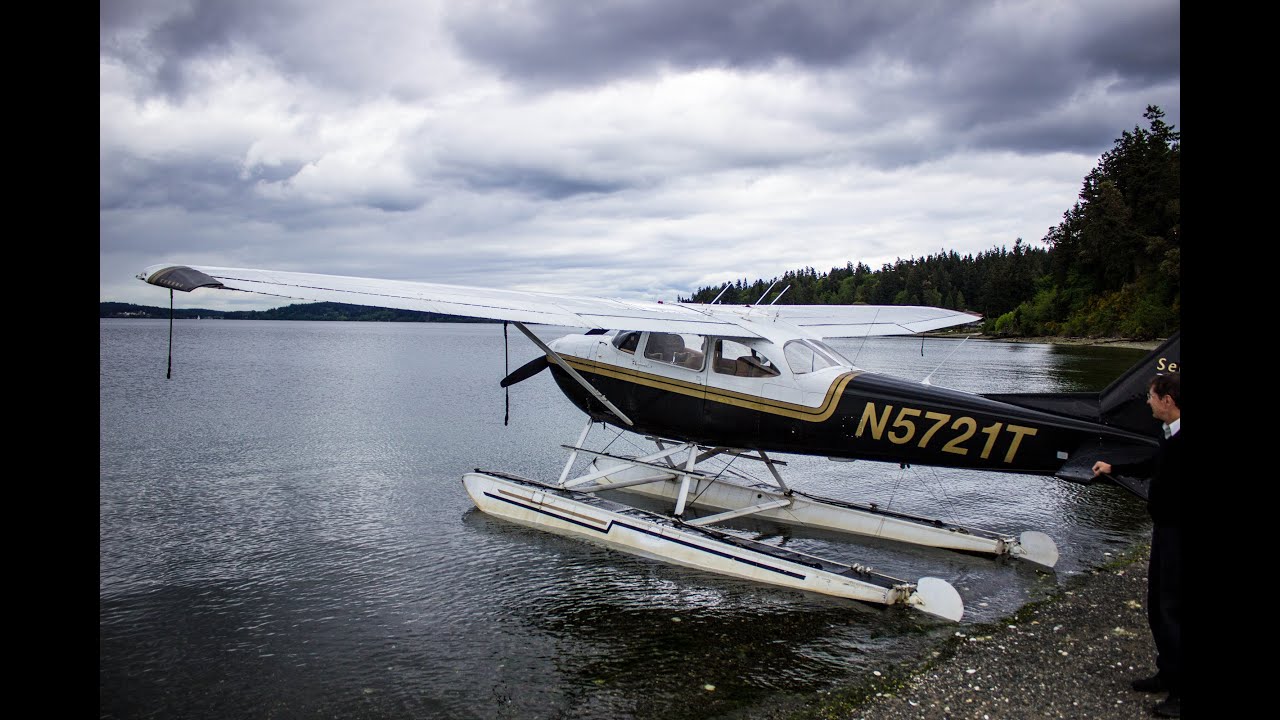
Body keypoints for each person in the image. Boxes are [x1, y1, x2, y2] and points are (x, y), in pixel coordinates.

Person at [1092, 372, 1181, 718]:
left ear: (1167, 401)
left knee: (1172, 607)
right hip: (1165, 528)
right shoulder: (1171, 435)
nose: (1147, 402)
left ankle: (1179, 694)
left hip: (1177, 531)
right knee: (1158, 604)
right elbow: (1154, 465)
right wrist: (1115, 466)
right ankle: (1167, 672)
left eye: (1150, 396)